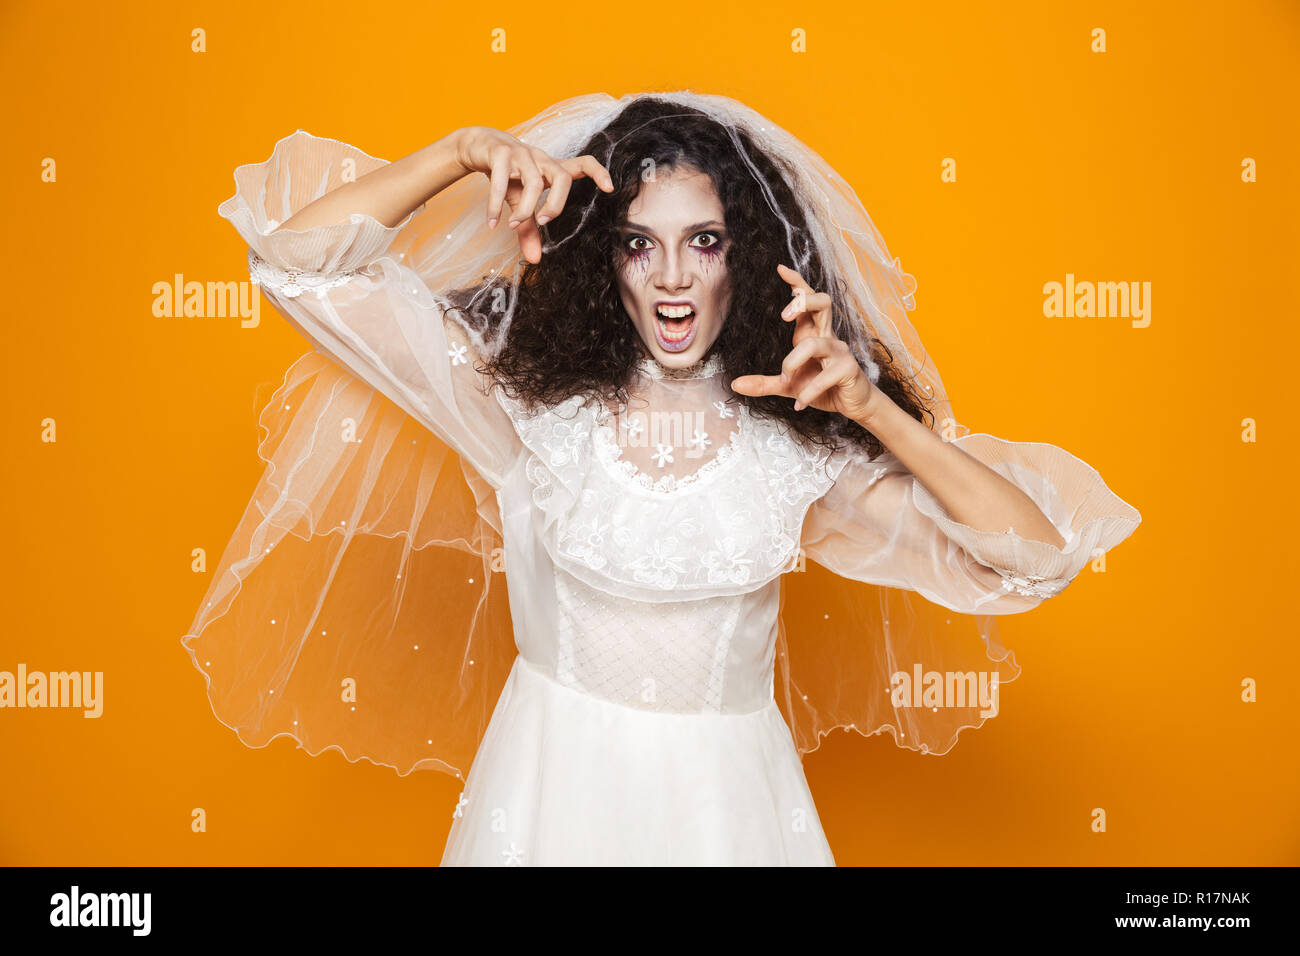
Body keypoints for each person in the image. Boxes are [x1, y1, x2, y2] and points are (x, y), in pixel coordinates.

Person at [183, 91, 1142, 866]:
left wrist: (874, 415)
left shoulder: (795, 453)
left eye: (706, 241)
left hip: (730, 822)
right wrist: (460, 153)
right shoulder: (526, 412)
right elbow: (298, 266)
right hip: (549, 802)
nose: (673, 277)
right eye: (640, 243)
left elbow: (1034, 560)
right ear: (605, 260)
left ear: (749, 258)